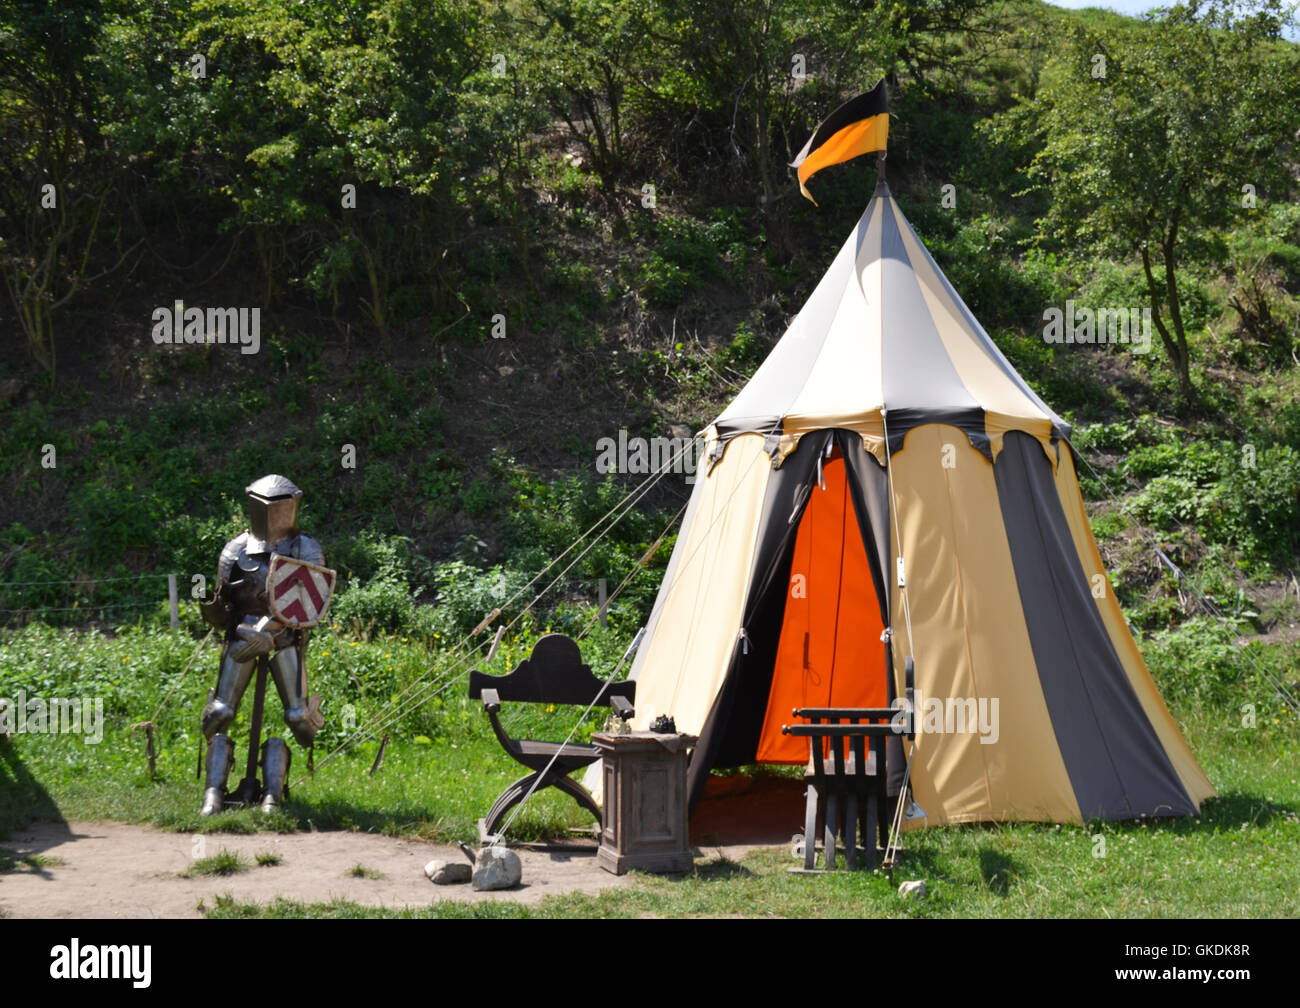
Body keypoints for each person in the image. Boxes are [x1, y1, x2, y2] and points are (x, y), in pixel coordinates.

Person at [199, 475, 326, 815]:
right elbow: (224, 607)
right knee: (218, 714)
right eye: (264, 502)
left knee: (301, 720)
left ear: (293, 502)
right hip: (241, 636)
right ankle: (214, 789)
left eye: (281, 501)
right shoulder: (235, 549)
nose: (272, 509)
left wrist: (267, 634)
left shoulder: (305, 549)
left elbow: (309, 606)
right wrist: (210, 606)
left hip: (287, 637)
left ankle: (273, 789)